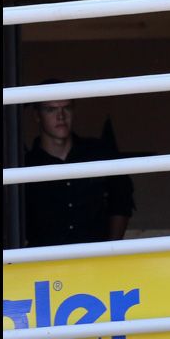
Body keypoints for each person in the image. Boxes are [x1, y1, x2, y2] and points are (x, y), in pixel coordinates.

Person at [22, 81, 135, 247]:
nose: (61, 116)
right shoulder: (26, 167)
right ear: (37, 115)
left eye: (66, 107)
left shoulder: (98, 154)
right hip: (43, 267)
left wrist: (110, 251)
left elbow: (122, 201)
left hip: (95, 263)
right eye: (51, 109)